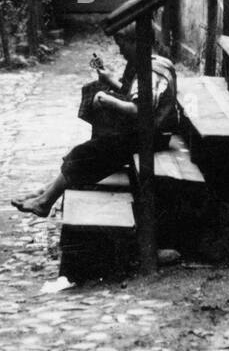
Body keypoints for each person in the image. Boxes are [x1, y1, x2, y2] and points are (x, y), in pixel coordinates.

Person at [11, 31, 177, 219]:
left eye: (123, 46)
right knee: (89, 150)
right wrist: (108, 80)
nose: (121, 51)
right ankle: (47, 191)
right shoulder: (152, 62)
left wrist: (107, 100)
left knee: (87, 153)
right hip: (147, 133)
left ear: (135, 42)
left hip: (152, 138)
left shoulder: (151, 71)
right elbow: (132, 94)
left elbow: (140, 110)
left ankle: (45, 202)